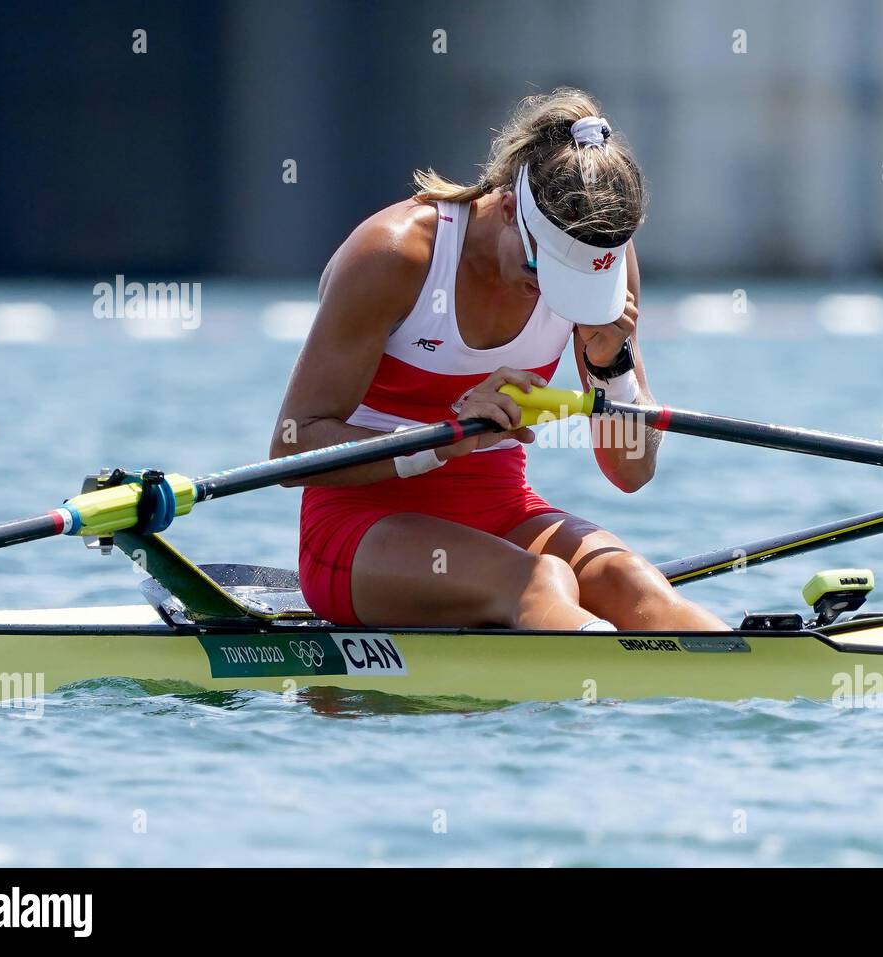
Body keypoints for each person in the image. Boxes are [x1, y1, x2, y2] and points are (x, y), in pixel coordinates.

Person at [271, 88, 728, 633]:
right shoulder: (395, 255)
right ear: (511, 207)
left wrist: (612, 368)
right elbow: (292, 446)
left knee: (633, 583)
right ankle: (594, 680)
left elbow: (631, 472)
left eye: (578, 284)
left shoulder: (602, 255)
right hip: (361, 529)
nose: (551, 296)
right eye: (547, 273)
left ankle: (747, 688)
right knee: (541, 582)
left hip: (503, 512)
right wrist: (446, 439)